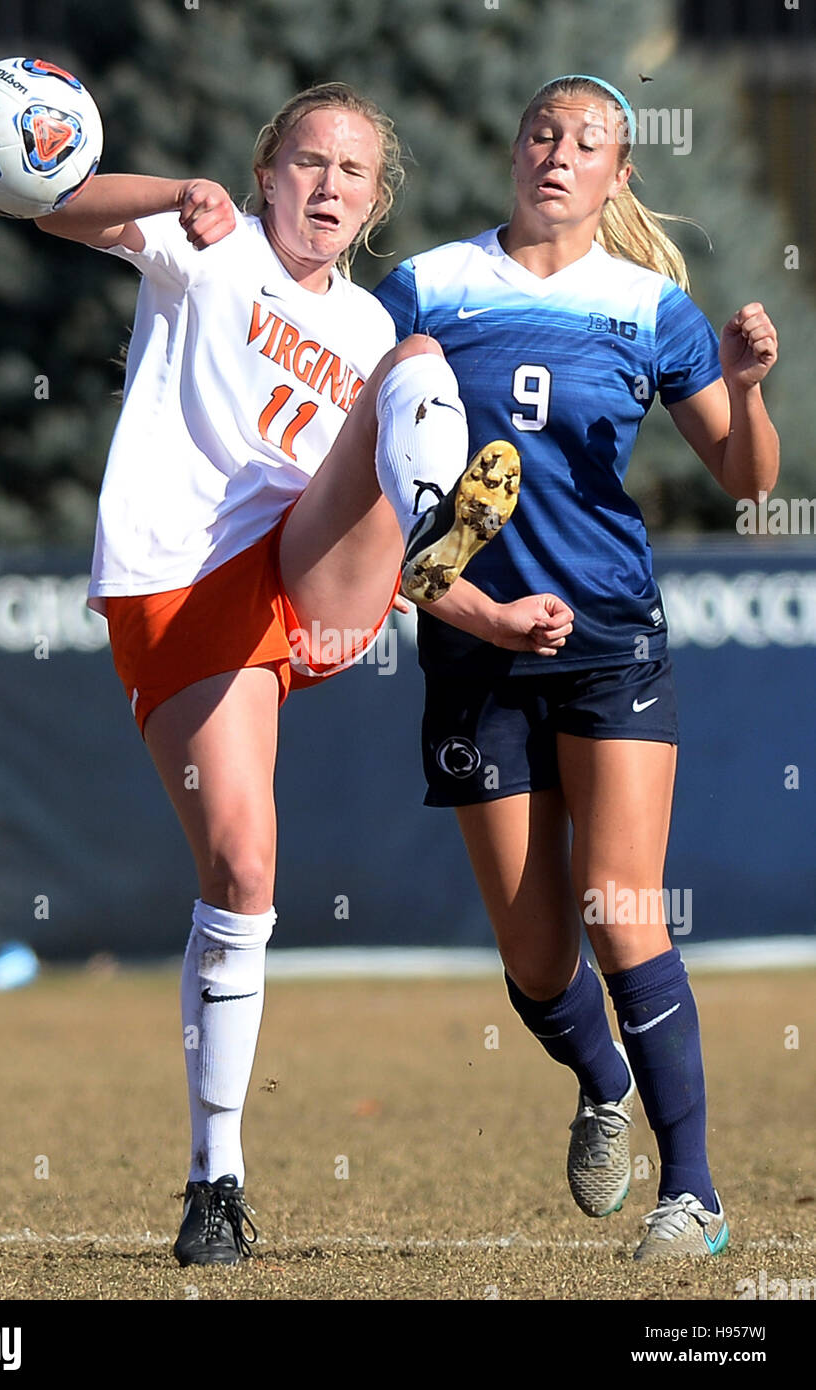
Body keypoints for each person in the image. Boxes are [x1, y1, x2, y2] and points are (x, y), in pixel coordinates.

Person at [35, 82, 573, 1266]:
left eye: (354, 173)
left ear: (376, 204)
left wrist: (480, 609)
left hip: (314, 574)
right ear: (268, 172)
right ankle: (214, 1177)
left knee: (413, 357)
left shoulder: (366, 326)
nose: (330, 186)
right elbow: (55, 206)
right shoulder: (205, 248)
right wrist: (173, 194)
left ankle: (444, 512)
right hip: (186, 585)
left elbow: (378, 516)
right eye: (310, 162)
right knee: (242, 864)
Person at [374, 74, 779, 1261]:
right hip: (473, 642)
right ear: (516, 150)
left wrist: (746, 391)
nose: (559, 154)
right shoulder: (427, 287)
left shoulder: (652, 307)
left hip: (607, 635)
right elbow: (375, 451)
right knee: (536, 955)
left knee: (621, 905)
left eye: (587, 142)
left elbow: (746, 480)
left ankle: (691, 1194)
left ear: (619, 175)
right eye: (543, 133)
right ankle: (599, 1078)